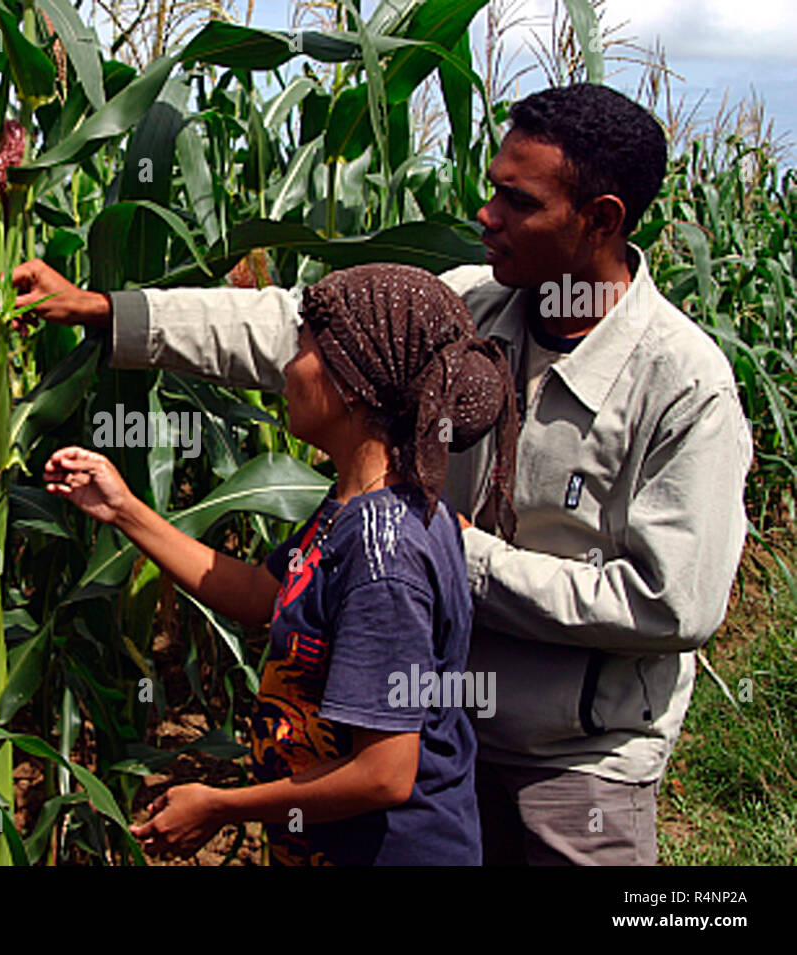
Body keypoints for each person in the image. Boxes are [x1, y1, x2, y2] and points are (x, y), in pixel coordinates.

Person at [13, 83, 753, 865]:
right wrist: (107, 310)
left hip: (573, 760)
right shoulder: (463, 307)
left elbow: (674, 605)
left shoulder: (682, 385)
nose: (485, 215)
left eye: (517, 200)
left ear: (601, 219)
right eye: (489, 188)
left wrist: (462, 559)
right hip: (432, 730)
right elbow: (293, 324)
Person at [45, 263, 517, 865]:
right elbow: (259, 595)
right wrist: (124, 510)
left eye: (302, 350)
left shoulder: (384, 552)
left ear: (353, 383)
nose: (288, 370)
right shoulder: (352, 509)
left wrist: (223, 805)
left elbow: (385, 774)